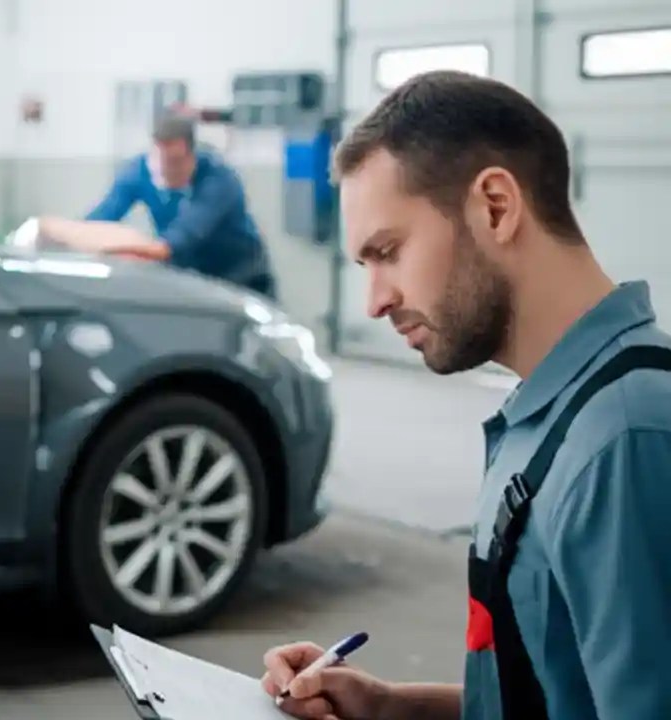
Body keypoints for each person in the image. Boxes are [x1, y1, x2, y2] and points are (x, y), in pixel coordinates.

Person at [260, 70, 671, 720]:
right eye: (365, 266)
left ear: (496, 208)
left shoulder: (624, 439)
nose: (374, 302)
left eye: (388, 251)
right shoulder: (551, 416)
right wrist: (389, 708)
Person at [33, 113, 277, 299]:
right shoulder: (140, 172)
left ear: (191, 154)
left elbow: (172, 244)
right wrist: (60, 232)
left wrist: (119, 251)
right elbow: (101, 219)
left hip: (241, 278)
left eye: (176, 162)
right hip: (191, 278)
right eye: (163, 160)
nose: (169, 170)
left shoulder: (219, 180)